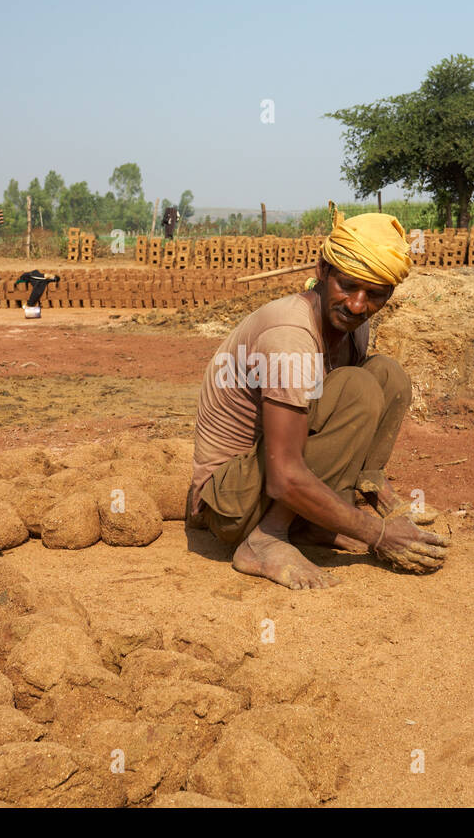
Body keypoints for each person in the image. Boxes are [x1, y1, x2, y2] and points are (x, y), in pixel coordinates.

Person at [186, 203, 450, 589]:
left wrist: (384, 502)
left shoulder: (352, 323)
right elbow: (284, 478)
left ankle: (313, 525)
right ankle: (265, 539)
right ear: (322, 272)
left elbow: (336, 422)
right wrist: (377, 534)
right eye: (348, 285)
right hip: (227, 502)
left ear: (390, 293)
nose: (358, 305)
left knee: (387, 376)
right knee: (356, 389)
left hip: (264, 480)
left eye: (374, 293)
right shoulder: (290, 336)